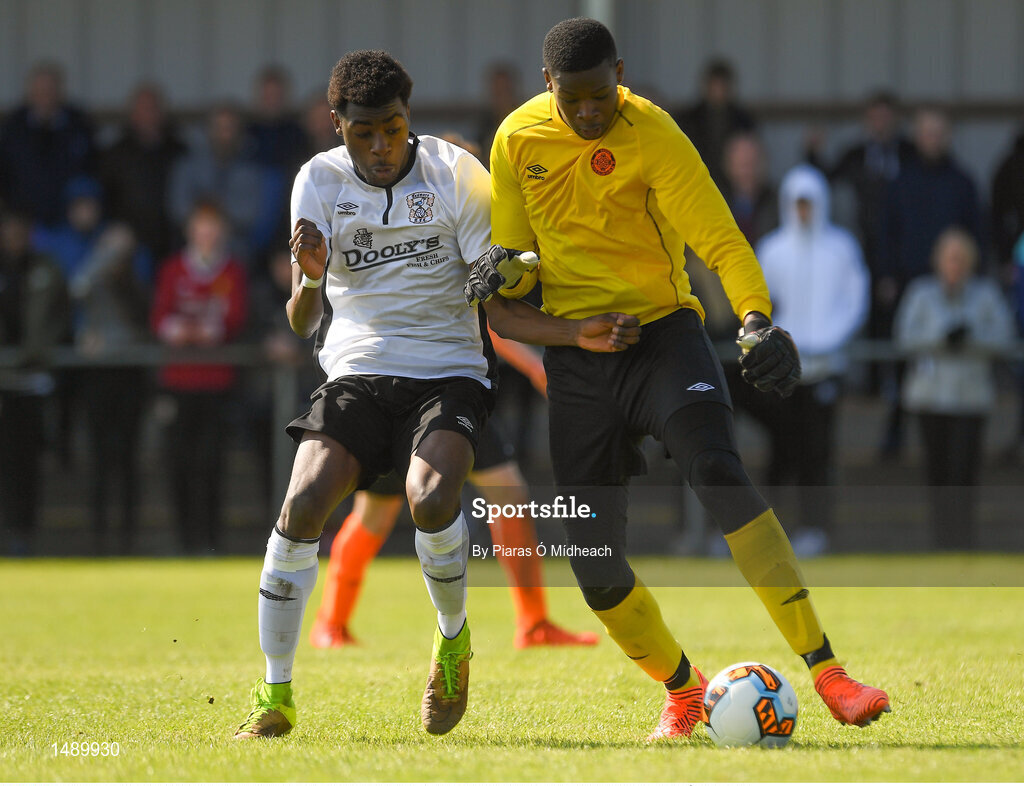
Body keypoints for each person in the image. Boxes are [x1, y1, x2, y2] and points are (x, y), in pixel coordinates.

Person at [471, 17, 890, 742]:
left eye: (602, 95)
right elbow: (512, 272)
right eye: (575, 100)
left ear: (621, 76)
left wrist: (757, 320)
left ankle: (829, 674)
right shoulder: (515, 141)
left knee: (718, 471)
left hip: (664, 337)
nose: (591, 111)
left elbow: (721, 240)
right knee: (595, 566)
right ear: (549, 87)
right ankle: (683, 689)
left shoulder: (655, 133)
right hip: (579, 357)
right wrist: (503, 273)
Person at [232, 49, 638, 741]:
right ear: (338, 126)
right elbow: (305, 322)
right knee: (302, 503)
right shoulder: (317, 182)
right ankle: (275, 695)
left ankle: (453, 642)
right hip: (356, 372)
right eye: (365, 132)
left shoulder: (456, 174)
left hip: (449, 370)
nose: (382, 145)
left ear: (407, 117)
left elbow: (498, 296)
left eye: (393, 128)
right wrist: (307, 280)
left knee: (431, 496)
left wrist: (513, 284)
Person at [309, 334, 598, 650]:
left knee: (511, 498)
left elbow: (480, 310)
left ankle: (534, 623)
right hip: (393, 389)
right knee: (375, 515)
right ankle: (331, 623)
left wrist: (533, 365)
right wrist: (533, 365)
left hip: (457, 388)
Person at [754, 164, 870, 555]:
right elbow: (759, 304)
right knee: (781, 452)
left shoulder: (841, 248)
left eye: (809, 204)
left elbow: (855, 302)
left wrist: (827, 341)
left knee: (818, 454)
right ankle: (774, 531)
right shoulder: (772, 249)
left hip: (825, 369)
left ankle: (816, 528)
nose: (803, 211)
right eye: (797, 204)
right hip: (784, 373)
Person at [894, 228, 1014, 550]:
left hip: (970, 399)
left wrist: (971, 338)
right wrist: (940, 338)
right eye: (950, 258)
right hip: (930, 399)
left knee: (964, 472)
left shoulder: (985, 294)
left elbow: (1003, 337)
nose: (954, 265)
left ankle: (965, 539)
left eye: (960, 259)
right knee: (938, 472)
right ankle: (941, 541)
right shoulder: (921, 293)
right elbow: (904, 337)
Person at [876, 106, 983, 458]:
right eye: (927, 131)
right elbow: (886, 233)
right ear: (917, 135)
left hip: (954, 287)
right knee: (907, 361)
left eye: (939, 131)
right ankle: (897, 432)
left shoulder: (963, 182)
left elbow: (976, 233)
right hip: (911, 285)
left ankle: (948, 437)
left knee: (955, 355)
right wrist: (888, 276)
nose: (933, 138)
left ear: (948, 136)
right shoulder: (900, 182)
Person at [150, 200, 248, 555]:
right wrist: (190, 329)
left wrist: (199, 329)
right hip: (178, 381)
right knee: (178, 462)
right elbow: (161, 318)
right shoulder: (173, 269)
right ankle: (184, 539)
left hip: (216, 382)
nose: (207, 234)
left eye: (213, 227)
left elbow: (232, 320)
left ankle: (210, 540)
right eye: (201, 227)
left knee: (212, 462)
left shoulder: (231, 271)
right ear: (190, 231)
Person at [0, 211, 68, 556]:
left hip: (31, 381)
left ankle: (23, 534)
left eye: (19, 229)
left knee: (26, 463)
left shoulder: (45, 269)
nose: (14, 235)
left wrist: (35, 353)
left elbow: (59, 316)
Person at [0, 62, 96, 226]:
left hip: (70, 224)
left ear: (60, 92)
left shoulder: (79, 125)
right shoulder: (13, 128)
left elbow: (93, 170)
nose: (45, 96)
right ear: (30, 93)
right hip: (24, 222)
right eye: (40, 91)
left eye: (50, 90)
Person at [98, 83, 186, 260]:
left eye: (153, 108)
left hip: (173, 239)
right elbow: (104, 196)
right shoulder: (115, 153)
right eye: (143, 109)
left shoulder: (179, 151)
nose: (149, 115)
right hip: (130, 241)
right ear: (132, 114)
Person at [673, 58, 756, 188]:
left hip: (733, 187)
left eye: (723, 86)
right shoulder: (689, 119)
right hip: (695, 181)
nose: (719, 91)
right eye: (715, 85)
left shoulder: (743, 119)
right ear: (706, 86)